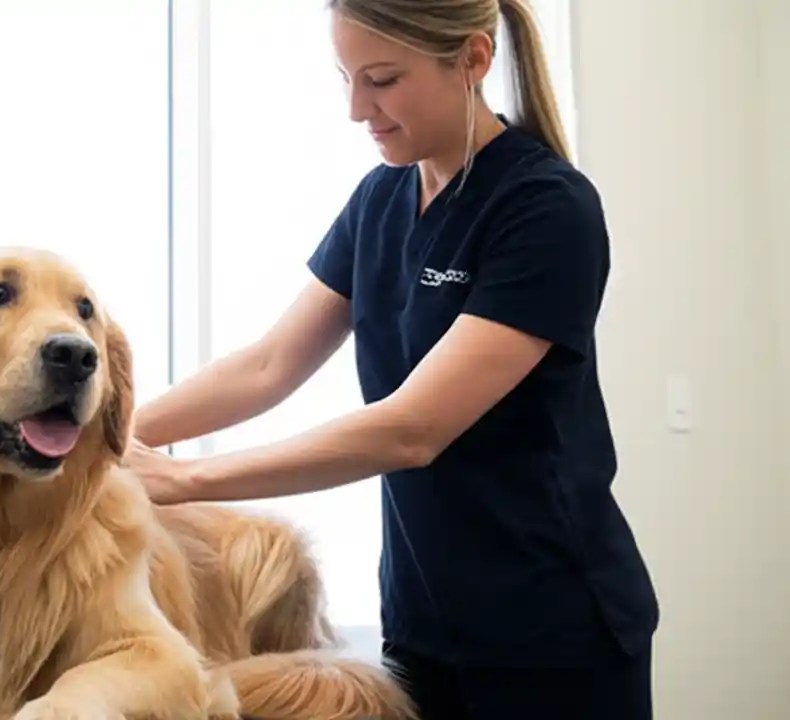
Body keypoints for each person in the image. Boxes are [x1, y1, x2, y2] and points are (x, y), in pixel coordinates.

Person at [123, 0, 659, 717]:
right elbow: (268, 365)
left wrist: (185, 480)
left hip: (549, 629)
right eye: (345, 77)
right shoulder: (381, 199)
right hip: (422, 622)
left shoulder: (545, 209)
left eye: (381, 79)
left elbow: (413, 429)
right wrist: (110, 438)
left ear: (472, 59)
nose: (355, 109)